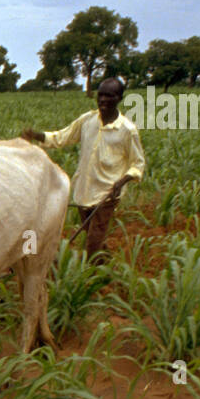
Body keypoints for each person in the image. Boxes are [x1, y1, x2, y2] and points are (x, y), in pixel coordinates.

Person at [20, 77, 145, 263]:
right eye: (100, 95)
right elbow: (63, 137)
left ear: (119, 98)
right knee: (92, 234)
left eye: (109, 96)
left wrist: (122, 181)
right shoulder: (88, 121)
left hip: (107, 193)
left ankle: (89, 279)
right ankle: (105, 264)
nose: (103, 100)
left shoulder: (127, 129)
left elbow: (138, 163)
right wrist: (37, 135)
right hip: (84, 190)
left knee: (93, 241)